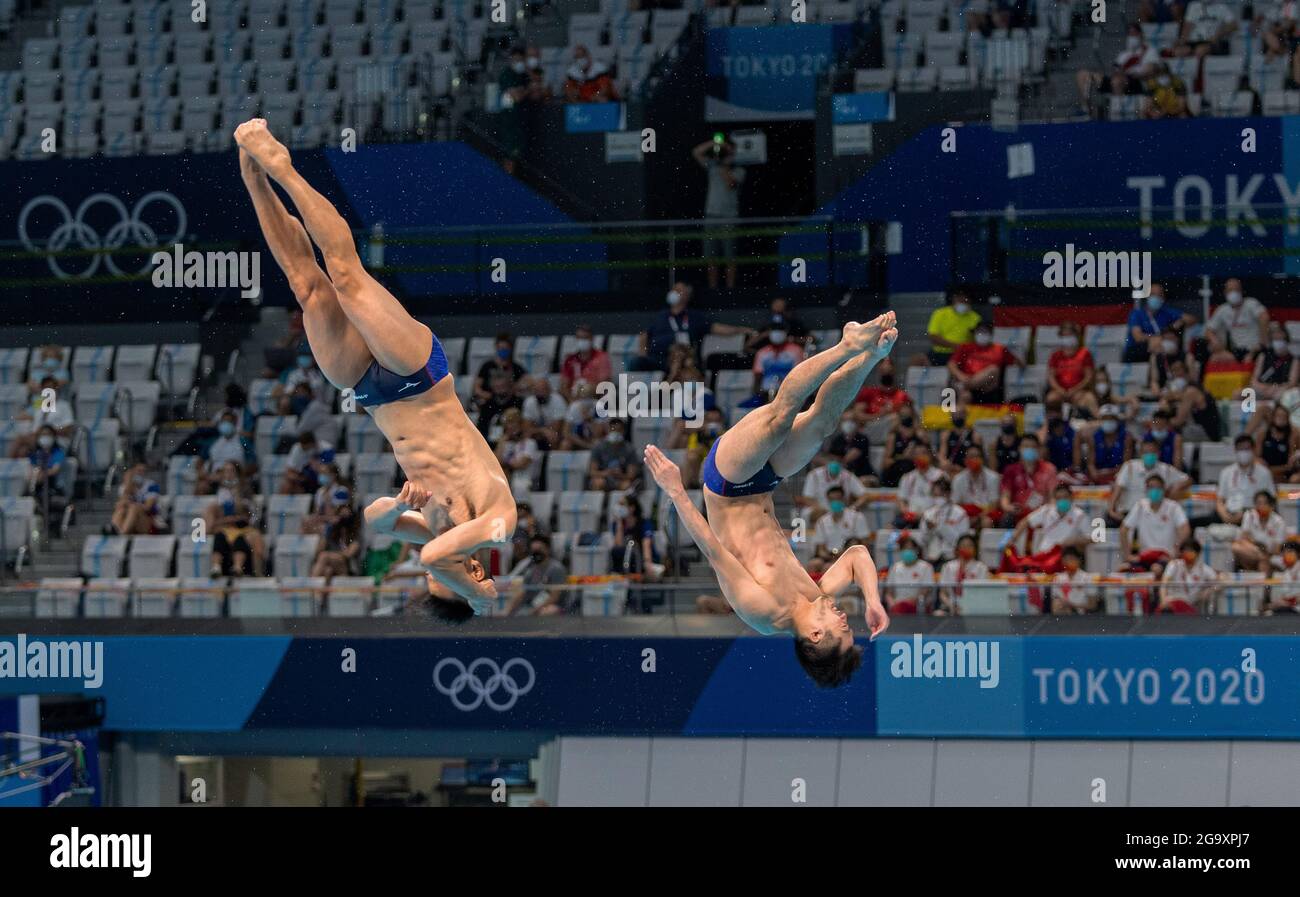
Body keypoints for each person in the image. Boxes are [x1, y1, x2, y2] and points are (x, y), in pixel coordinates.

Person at [236, 120, 513, 612]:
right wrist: (480, 598)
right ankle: (282, 168)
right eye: (443, 575)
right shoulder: (498, 520)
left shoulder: (429, 528)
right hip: (420, 378)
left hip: (370, 393)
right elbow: (434, 555)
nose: (429, 565)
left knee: (309, 289)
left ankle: (255, 180)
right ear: (473, 570)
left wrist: (401, 507)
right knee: (345, 276)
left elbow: (374, 519)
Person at [644, 314, 898, 688]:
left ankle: (847, 346)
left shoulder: (762, 613)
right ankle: (870, 355)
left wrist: (675, 489)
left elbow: (714, 551)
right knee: (822, 423)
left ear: (814, 636)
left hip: (727, 482)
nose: (847, 621)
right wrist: (874, 600)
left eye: (842, 631)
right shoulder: (818, 596)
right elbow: (857, 554)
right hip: (764, 483)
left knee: (780, 419)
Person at [628, 283, 750, 372]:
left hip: (679, 360)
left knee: (680, 363)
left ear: (687, 296)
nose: (674, 292)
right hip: (656, 358)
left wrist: (740, 330)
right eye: (673, 289)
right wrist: (643, 353)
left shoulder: (694, 317)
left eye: (678, 290)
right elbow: (644, 335)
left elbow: (717, 328)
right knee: (635, 363)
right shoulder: (661, 315)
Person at [693, 134, 746, 289]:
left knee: (730, 256)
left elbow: (730, 183)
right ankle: (713, 289)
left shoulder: (739, 170)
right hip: (711, 216)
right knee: (711, 257)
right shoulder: (712, 166)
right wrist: (715, 143)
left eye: (729, 152)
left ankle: (730, 289)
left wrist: (725, 163)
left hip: (729, 217)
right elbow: (696, 152)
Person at [1107, 436, 1191, 522]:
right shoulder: (1130, 467)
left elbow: (1187, 479)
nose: (1149, 455)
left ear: (1158, 453)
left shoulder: (1166, 469)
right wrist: (1111, 510)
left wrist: (1175, 488)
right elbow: (1117, 490)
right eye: (1146, 452)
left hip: (1154, 514)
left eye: (1152, 452)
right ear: (1140, 453)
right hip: (1129, 512)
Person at [1120, 473, 1191, 568]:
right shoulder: (1140, 506)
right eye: (1151, 487)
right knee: (1123, 568)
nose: (1155, 491)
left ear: (1164, 489)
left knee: (1156, 568)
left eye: (1158, 487)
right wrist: (1127, 555)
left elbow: (1185, 529)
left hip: (1166, 557)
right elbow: (1124, 529)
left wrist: (1176, 548)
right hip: (1144, 556)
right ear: (1146, 490)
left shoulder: (1173, 507)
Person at [948, 321, 1023, 404]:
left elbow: (1019, 362)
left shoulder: (999, 349)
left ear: (991, 334)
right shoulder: (965, 347)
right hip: (966, 380)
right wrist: (961, 376)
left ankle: (967, 385)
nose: (982, 334)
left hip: (987, 387)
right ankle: (959, 415)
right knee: (965, 396)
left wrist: (1022, 360)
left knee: (993, 369)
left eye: (985, 332)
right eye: (979, 332)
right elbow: (951, 364)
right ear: (975, 333)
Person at [1010, 482, 1091, 558]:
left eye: (1065, 497)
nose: (1062, 500)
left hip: (1064, 557)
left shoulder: (1080, 515)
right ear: (1055, 499)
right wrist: (1012, 540)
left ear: (1071, 497)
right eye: (1059, 498)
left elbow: (1091, 537)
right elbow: (1025, 521)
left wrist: (1075, 541)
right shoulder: (1047, 510)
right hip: (1044, 554)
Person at [1123, 284, 1195, 362]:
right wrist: (1158, 338)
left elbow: (1191, 319)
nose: (1156, 297)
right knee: (1156, 346)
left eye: (1159, 295)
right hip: (1137, 350)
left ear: (1163, 298)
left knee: (1182, 354)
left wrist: (1180, 322)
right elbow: (1138, 337)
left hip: (1160, 348)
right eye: (1153, 294)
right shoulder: (1137, 313)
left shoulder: (1166, 312)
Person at [503, 535, 570, 615]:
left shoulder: (556, 569)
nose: (536, 553)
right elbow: (522, 593)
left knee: (548, 611)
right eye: (533, 551)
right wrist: (508, 612)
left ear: (547, 549)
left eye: (539, 550)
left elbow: (555, 596)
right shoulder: (530, 570)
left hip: (555, 606)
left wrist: (534, 611)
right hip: (533, 605)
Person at [1216, 435, 1276, 525]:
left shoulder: (1264, 473)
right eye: (1241, 449)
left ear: (1254, 450)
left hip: (1254, 514)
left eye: (1247, 449)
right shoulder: (1226, 472)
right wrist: (1225, 516)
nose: (1244, 452)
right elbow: (1220, 500)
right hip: (1229, 512)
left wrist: (1249, 515)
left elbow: (1271, 501)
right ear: (1235, 450)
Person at [1206, 277, 1269, 360]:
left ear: (1241, 291)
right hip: (1237, 351)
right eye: (1230, 290)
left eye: (1236, 289)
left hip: (1255, 349)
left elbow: (1264, 317)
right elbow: (1208, 331)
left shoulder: (1251, 303)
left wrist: (1262, 342)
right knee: (1214, 358)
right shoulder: (1222, 309)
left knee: (1255, 358)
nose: (1234, 293)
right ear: (1225, 293)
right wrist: (1216, 342)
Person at [1000, 433, 1058, 521]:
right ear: (1019, 448)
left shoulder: (1049, 469)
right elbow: (1005, 497)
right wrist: (1009, 507)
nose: (1029, 449)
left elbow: (1053, 496)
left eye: (1033, 447)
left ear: (1039, 449)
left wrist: (1048, 510)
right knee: (1006, 518)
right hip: (1018, 514)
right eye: (1026, 446)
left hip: (1041, 514)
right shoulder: (1010, 470)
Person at [1231, 490, 1288, 574]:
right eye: (1258, 503)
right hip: (1252, 551)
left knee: (1264, 562)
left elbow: (1277, 549)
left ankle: (1261, 583)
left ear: (1271, 506)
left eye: (1264, 503)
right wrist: (1258, 550)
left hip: (1270, 555)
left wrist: (1264, 551)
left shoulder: (1279, 522)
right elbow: (1244, 539)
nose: (1261, 506)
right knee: (1235, 547)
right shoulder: (1249, 515)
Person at [1160, 538, 1221, 613]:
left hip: (1191, 607)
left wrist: (1208, 591)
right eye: (1185, 550)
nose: (1188, 553)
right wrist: (1163, 601)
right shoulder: (1174, 565)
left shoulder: (1203, 569)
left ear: (1197, 553)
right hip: (1172, 603)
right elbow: (1164, 584)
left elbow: (1219, 582)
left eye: (1191, 550)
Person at [917, 476, 970, 563]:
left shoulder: (960, 514)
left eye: (940, 495)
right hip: (931, 558)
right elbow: (922, 541)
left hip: (952, 558)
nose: (938, 499)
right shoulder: (927, 514)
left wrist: (940, 527)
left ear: (948, 493)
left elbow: (961, 542)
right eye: (935, 495)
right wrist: (929, 530)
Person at [809, 486, 869, 561]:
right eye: (832, 499)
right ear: (828, 500)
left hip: (851, 557)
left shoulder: (857, 517)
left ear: (843, 499)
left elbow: (864, 544)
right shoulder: (821, 522)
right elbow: (820, 549)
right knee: (814, 564)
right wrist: (831, 557)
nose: (835, 502)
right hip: (830, 557)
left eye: (838, 499)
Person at [751, 317, 805, 399]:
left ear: (786, 330)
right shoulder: (761, 352)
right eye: (774, 329)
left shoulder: (797, 351)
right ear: (768, 331)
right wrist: (759, 395)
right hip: (765, 394)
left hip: (789, 394)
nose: (777, 332)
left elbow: (800, 376)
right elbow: (757, 378)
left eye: (780, 329)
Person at [936, 533, 990, 615]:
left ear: (975, 549)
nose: (966, 548)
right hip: (951, 606)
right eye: (963, 545)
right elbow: (942, 593)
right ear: (957, 549)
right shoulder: (948, 566)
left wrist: (967, 607)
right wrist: (951, 606)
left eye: (969, 546)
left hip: (973, 608)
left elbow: (982, 593)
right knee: (937, 614)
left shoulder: (981, 567)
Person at [797, 458, 869, 519]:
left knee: (856, 516)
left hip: (841, 510)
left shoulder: (848, 476)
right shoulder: (814, 475)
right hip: (820, 508)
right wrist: (823, 510)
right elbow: (807, 498)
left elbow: (864, 495)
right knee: (815, 513)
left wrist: (854, 507)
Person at [1045, 322, 1095, 407]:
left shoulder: (1084, 353)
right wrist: (1060, 390)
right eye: (1064, 336)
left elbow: (1089, 377)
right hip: (1060, 391)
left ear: (1076, 336)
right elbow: (1051, 377)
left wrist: (1074, 390)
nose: (1067, 338)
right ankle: (1053, 420)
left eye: (1070, 335)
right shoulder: (1056, 355)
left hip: (1079, 390)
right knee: (1051, 399)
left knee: (1085, 399)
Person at [925, 289, 981, 366]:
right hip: (941, 353)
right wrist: (955, 346)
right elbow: (933, 336)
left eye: (964, 300)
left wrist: (963, 349)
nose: (962, 302)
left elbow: (978, 340)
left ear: (969, 301)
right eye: (959, 299)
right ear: (953, 299)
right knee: (917, 359)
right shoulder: (940, 313)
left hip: (964, 354)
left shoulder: (976, 317)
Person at [882, 536, 936, 614]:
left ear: (916, 550)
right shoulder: (895, 567)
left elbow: (926, 590)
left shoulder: (926, 567)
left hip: (918, 606)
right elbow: (889, 592)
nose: (907, 551)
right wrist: (892, 604)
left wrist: (914, 601)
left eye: (910, 548)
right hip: (898, 606)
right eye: (905, 549)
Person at [610, 493, 660, 577]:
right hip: (626, 558)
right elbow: (618, 545)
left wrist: (647, 562)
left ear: (632, 508)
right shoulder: (617, 524)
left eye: (622, 505)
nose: (619, 508)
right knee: (616, 552)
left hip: (642, 557)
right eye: (619, 505)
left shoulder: (644, 523)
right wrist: (619, 525)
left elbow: (646, 544)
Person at [895, 444, 945, 524]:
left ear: (930, 455)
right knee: (890, 527)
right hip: (911, 517)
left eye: (923, 453)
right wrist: (906, 512)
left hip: (933, 517)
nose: (920, 456)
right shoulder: (907, 477)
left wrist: (924, 515)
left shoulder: (940, 476)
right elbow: (901, 499)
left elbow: (943, 501)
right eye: (917, 454)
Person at [952, 450, 1004, 526]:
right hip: (968, 512)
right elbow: (956, 503)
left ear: (982, 459)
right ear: (965, 460)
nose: (973, 459)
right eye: (970, 457)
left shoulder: (993, 477)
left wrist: (978, 517)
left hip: (987, 512)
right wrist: (965, 517)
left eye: (976, 457)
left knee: (987, 521)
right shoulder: (958, 479)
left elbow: (994, 504)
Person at [559, 325, 611, 400]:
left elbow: (604, 384)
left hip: (594, 398)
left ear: (592, 339)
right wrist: (572, 400)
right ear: (576, 339)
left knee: (586, 389)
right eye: (579, 338)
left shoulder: (601, 357)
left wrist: (588, 389)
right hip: (573, 398)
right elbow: (563, 385)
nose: (582, 341)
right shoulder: (570, 359)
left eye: (585, 338)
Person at [588, 419, 641, 491]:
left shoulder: (629, 449)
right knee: (598, 482)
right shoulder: (599, 447)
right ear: (608, 430)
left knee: (627, 485)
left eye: (619, 430)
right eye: (613, 430)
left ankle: (621, 502)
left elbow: (631, 474)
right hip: (604, 477)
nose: (615, 432)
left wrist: (620, 475)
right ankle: (600, 502)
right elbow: (592, 471)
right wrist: (607, 473)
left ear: (624, 431)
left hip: (621, 478)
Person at [474, 333, 527, 405]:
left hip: (509, 402)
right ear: (496, 348)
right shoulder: (487, 366)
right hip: (489, 401)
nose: (503, 350)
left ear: (511, 349)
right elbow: (477, 388)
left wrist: (515, 387)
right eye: (501, 348)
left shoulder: (516, 367)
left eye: (506, 348)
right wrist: (489, 396)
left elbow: (527, 381)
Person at [1250, 322, 1298, 400]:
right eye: (1274, 335)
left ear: (1286, 337)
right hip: (1262, 388)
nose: (1276, 336)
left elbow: (1292, 383)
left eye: (1279, 334)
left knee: (1279, 395)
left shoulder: (1294, 360)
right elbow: (1253, 381)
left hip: (1280, 389)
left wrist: (1274, 388)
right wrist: (1264, 388)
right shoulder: (1263, 356)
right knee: (1238, 394)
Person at [1084, 404, 1130, 484]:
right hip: (1098, 474)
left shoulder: (1126, 438)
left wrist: (1112, 474)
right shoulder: (1093, 438)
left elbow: (1126, 463)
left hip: (1118, 475)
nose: (1108, 421)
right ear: (1100, 420)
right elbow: (1090, 463)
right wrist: (1096, 475)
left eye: (1111, 418)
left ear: (1117, 420)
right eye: (1105, 419)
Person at [520, 376, 567, 450]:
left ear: (549, 390)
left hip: (555, 434)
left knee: (553, 436)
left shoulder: (558, 400)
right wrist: (543, 431)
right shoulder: (529, 402)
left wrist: (537, 430)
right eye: (537, 390)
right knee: (526, 436)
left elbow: (556, 428)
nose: (540, 393)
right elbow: (527, 429)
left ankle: (552, 459)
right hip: (539, 434)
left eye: (542, 390)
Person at [1050, 546, 1099, 614]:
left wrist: (1071, 605)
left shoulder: (1088, 578)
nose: (1068, 562)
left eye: (1071, 559)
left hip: (1082, 617)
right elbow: (1054, 606)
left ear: (1079, 560)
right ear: (1062, 561)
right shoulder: (1058, 578)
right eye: (1066, 559)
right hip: (1062, 616)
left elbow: (1092, 605)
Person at [1266, 539, 1300, 614]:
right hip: (1290, 608)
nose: (1286, 555)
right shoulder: (1287, 572)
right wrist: (1279, 602)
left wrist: (1287, 603)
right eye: (1284, 553)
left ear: (1297, 554)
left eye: (1289, 552)